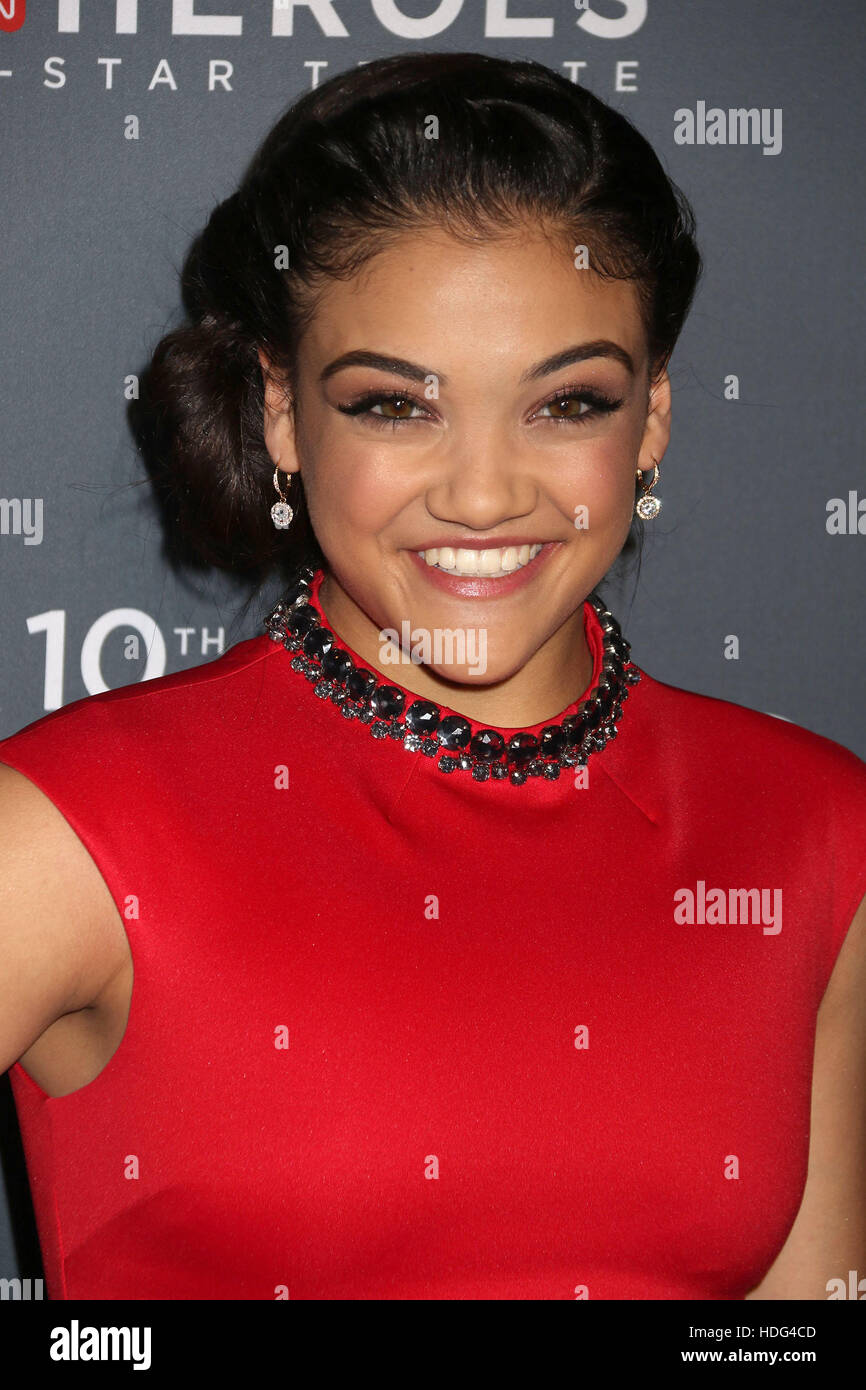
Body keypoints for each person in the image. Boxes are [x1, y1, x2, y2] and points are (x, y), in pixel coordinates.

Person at [1, 51, 864, 1302]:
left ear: (653, 419)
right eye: (394, 407)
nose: (480, 494)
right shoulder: (70, 830)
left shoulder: (812, 830)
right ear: (284, 415)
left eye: (565, 402)